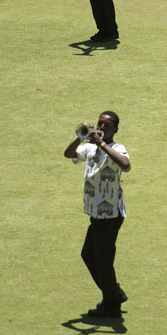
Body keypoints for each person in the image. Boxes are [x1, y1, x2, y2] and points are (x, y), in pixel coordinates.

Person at [64, 112, 131, 319]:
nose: (102, 126)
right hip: (95, 213)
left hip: (110, 214)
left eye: (108, 124)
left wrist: (102, 144)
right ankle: (114, 293)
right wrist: (80, 136)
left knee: (103, 262)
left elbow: (126, 165)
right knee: (89, 255)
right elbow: (68, 154)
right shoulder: (88, 147)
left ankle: (111, 305)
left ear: (115, 129)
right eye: (100, 122)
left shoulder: (116, 148)